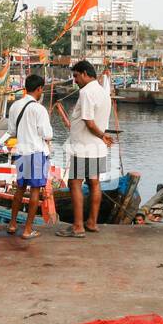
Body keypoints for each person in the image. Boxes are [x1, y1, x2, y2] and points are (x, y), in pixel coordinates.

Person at [57, 60, 113, 237]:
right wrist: (102, 137)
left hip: (84, 147)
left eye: (76, 76)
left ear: (84, 74)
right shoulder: (104, 93)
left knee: (75, 183)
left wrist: (101, 135)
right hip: (97, 149)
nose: (75, 80)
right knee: (94, 183)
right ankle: (92, 222)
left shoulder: (86, 92)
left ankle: (78, 226)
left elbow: (89, 122)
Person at [5, 74, 53, 240]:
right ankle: (27, 230)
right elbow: (48, 134)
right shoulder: (39, 109)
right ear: (39, 89)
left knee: (19, 189)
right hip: (36, 152)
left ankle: (12, 225)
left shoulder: (14, 106)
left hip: (20, 151)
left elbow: (11, 131)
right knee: (34, 190)